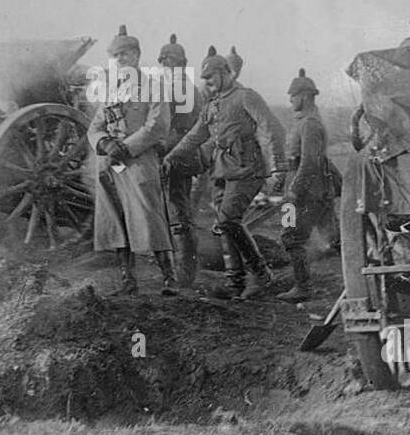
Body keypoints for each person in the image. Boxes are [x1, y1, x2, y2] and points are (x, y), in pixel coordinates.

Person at [164, 46, 283, 301]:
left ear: (226, 72)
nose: (207, 84)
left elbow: (271, 128)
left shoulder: (246, 97)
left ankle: (262, 276)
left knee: (229, 219)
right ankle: (235, 283)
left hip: (247, 169)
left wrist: (276, 168)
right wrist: (172, 156)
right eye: (204, 80)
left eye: (211, 78)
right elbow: (195, 135)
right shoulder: (212, 105)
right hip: (222, 171)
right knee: (224, 224)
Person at [87, 25, 178, 296]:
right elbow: (94, 127)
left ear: (137, 56)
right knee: (115, 219)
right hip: (110, 163)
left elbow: (157, 127)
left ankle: (169, 278)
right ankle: (128, 280)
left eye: (123, 55)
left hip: (139, 160)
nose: (118, 60)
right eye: (114, 56)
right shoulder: (111, 91)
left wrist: (124, 147)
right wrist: (104, 142)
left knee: (151, 215)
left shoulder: (154, 87)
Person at [276, 68, 336, 302]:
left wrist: (294, 191)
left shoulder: (309, 124)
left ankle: (304, 288)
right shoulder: (303, 122)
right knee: (331, 237)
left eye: (293, 95)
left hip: (306, 191)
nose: (290, 100)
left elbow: (310, 162)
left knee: (291, 237)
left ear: (305, 96)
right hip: (305, 186)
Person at [157, 34, 203, 286]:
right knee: (170, 213)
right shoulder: (167, 88)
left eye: (173, 64)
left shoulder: (185, 89)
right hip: (167, 157)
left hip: (179, 157)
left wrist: (164, 147)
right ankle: (178, 270)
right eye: (165, 64)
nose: (168, 68)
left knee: (179, 215)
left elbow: (184, 129)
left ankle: (186, 274)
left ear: (182, 66)